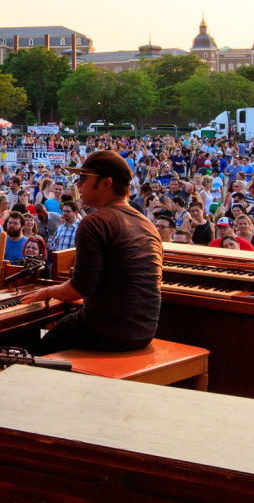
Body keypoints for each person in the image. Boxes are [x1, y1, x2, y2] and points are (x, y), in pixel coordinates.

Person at [19, 150, 162, 353]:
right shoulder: (147, 224)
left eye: (84, 178)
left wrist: (46, 291)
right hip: (144, 332)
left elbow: (79, 289)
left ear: (106, 183)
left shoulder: (95, 222)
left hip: (106, 332)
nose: (79, 185)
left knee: (32, 353)